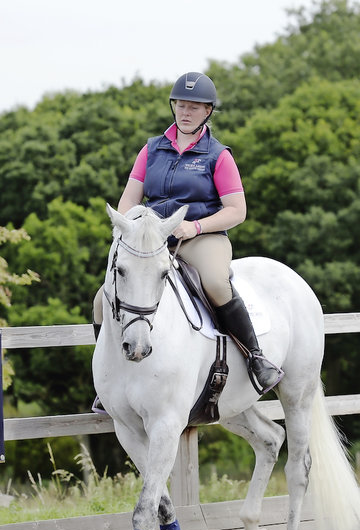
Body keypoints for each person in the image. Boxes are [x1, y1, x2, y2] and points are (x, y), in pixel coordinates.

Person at [93, 71, 282, 394]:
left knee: (215, 282)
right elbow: (129, 199)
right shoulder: (151, 150)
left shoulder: (218, 155)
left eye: (193, 107)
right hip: (153, 241)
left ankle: (255, 357)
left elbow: (237, 211)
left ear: (207, 111)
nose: (185, 112)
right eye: (180, 105)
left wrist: (194, 226)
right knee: (102, 299)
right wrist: (128, 229)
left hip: (201, 236)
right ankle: (108, 380)